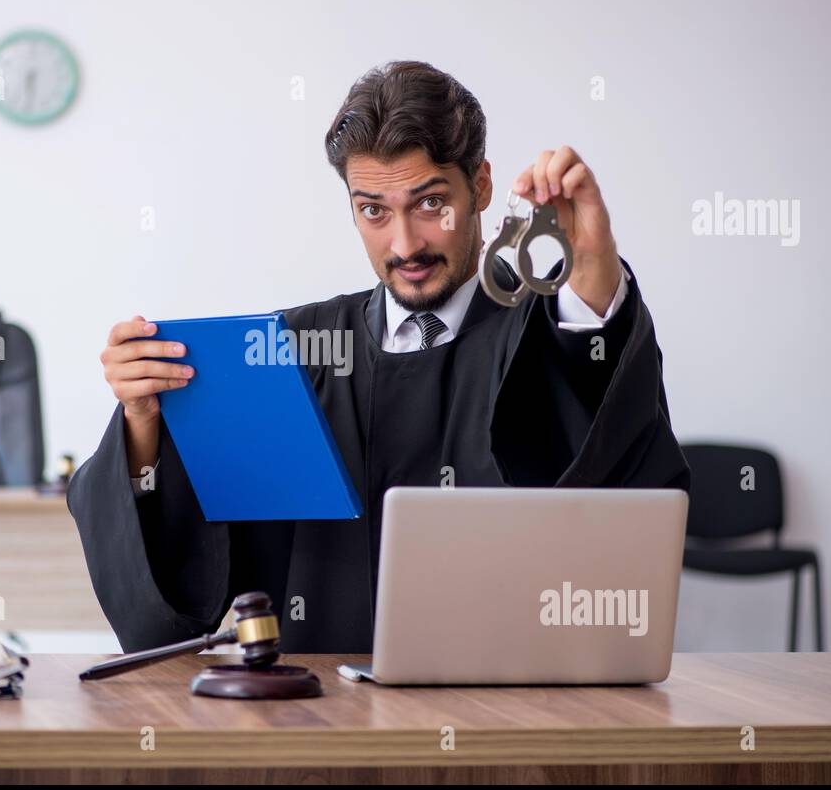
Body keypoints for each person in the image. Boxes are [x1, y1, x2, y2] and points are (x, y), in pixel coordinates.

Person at [68, 60, 689, 653]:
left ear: (480, 187)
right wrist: (143, 426)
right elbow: (182, 593)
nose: (404, 244)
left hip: (515, 717)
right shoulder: (288, 356)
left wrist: (590, 277)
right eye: (373, 211)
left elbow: (610, 453)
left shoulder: (544, 336)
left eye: (429, 203)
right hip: (322, 722)